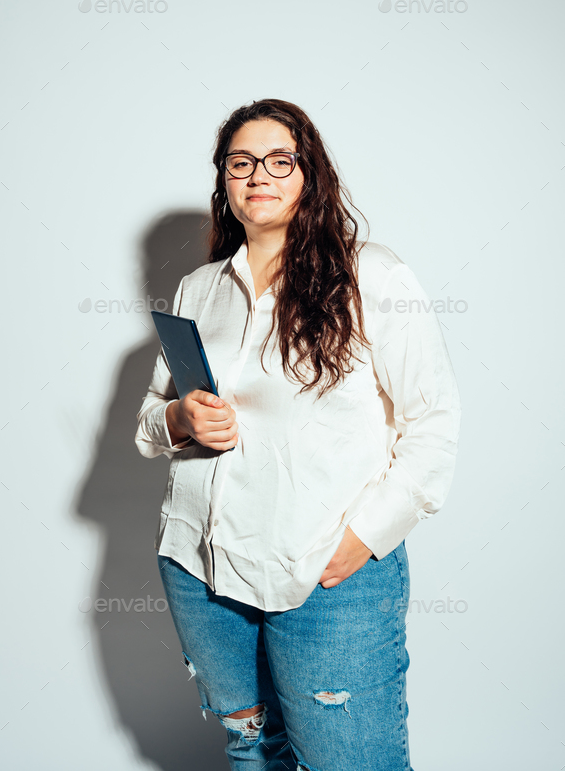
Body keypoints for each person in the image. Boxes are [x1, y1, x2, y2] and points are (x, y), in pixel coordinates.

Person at [135, 98, 461, 771]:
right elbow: (149, 424)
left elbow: (433, 426)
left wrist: (363, 540)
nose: (260, 174)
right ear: (224, 180)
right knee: (253, 749)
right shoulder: (199, 289)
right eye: (241, 161)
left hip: (324, 572)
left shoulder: (373, 275)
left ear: (310, 172)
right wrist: (180, 418)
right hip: (202, 566)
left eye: (280, 160)